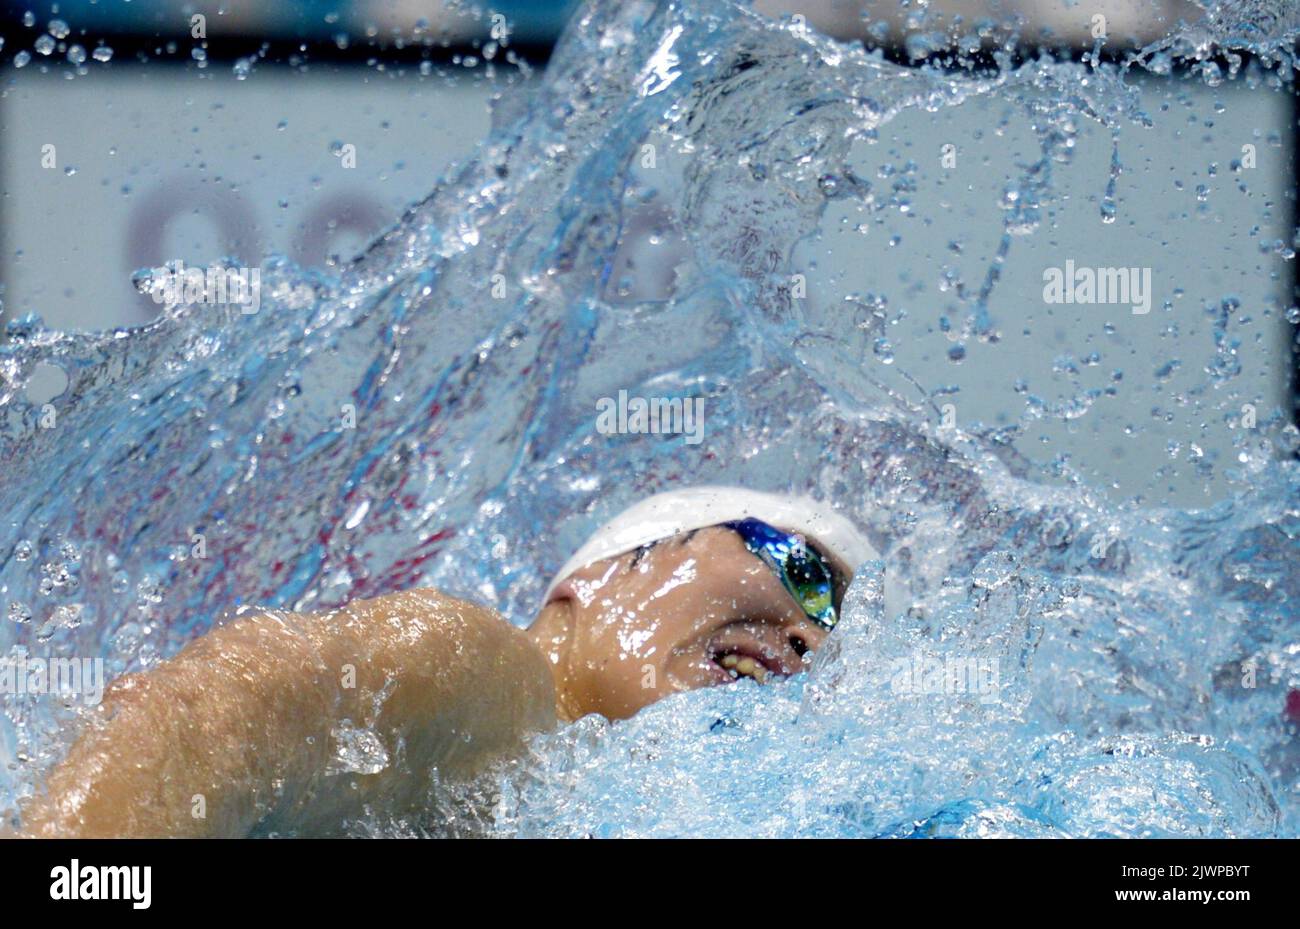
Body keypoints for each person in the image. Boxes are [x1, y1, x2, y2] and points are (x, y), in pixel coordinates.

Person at [18, 487, 875, 837]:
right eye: (800, 571)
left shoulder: (561, 798)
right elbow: (214, 715)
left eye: (830, 636)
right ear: (593, 579)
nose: (810, 631)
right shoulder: (492, 675)